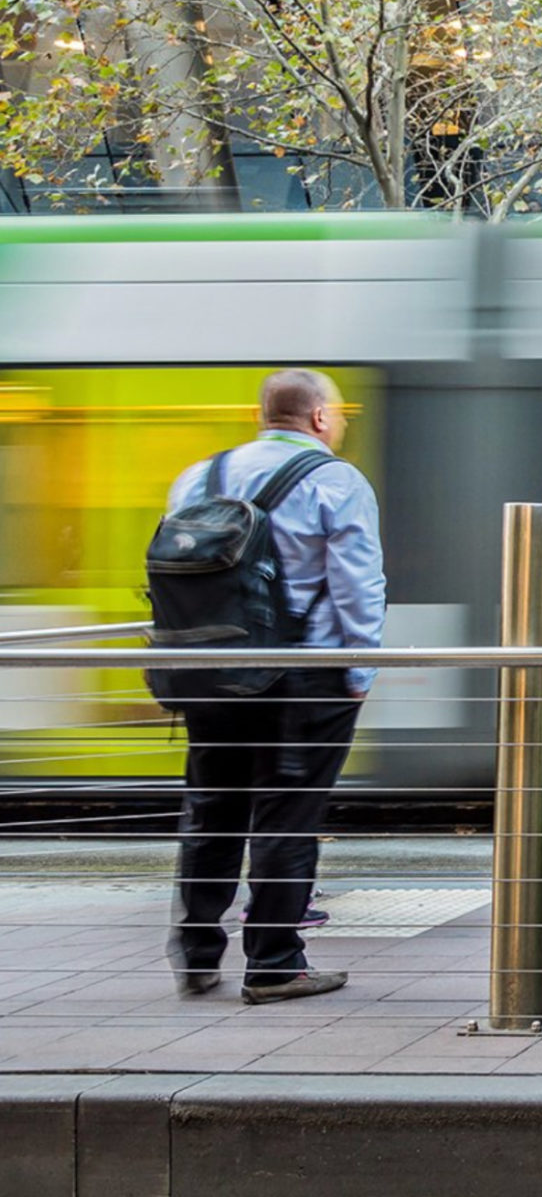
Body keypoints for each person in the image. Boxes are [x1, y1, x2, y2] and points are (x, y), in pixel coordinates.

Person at [163, 369, 382, 1003]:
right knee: (288, 816)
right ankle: (275, 963)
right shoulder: (334, 480)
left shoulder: (198, 476)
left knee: (212, 810)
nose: (339, 426)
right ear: (318, 418)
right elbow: (357, 587)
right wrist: (360, 671)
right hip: (302, 676)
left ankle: (198, 953)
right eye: (339, 416)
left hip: (209, 673)